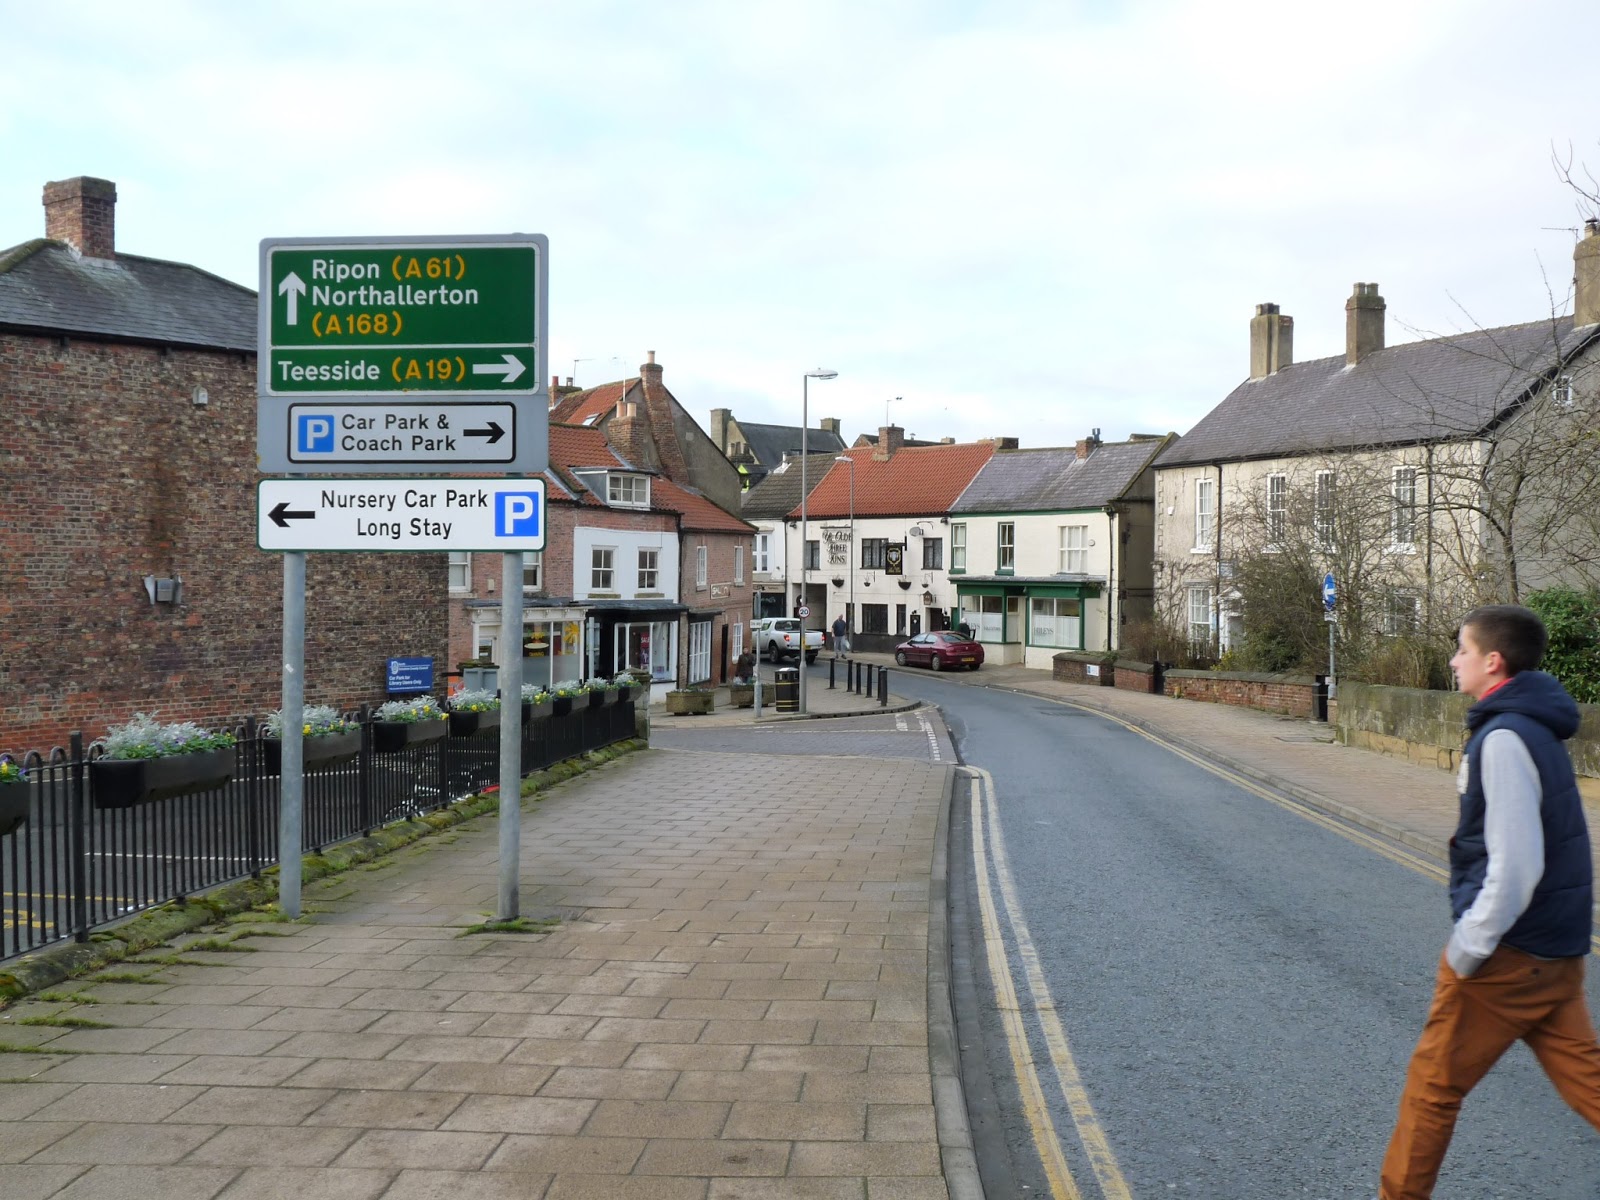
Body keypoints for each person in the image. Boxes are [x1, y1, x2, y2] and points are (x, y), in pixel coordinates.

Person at [1380, 604, 1600, 1199]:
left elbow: (1518, 864)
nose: (1454, 661)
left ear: (1493, 661)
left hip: (1509, 956)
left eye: (1462, 650)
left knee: (1433, 1088)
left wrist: (1468, 947)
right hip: (1555, 953)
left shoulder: (1503, 738)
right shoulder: (1535, 726)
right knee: (1590, 1085)